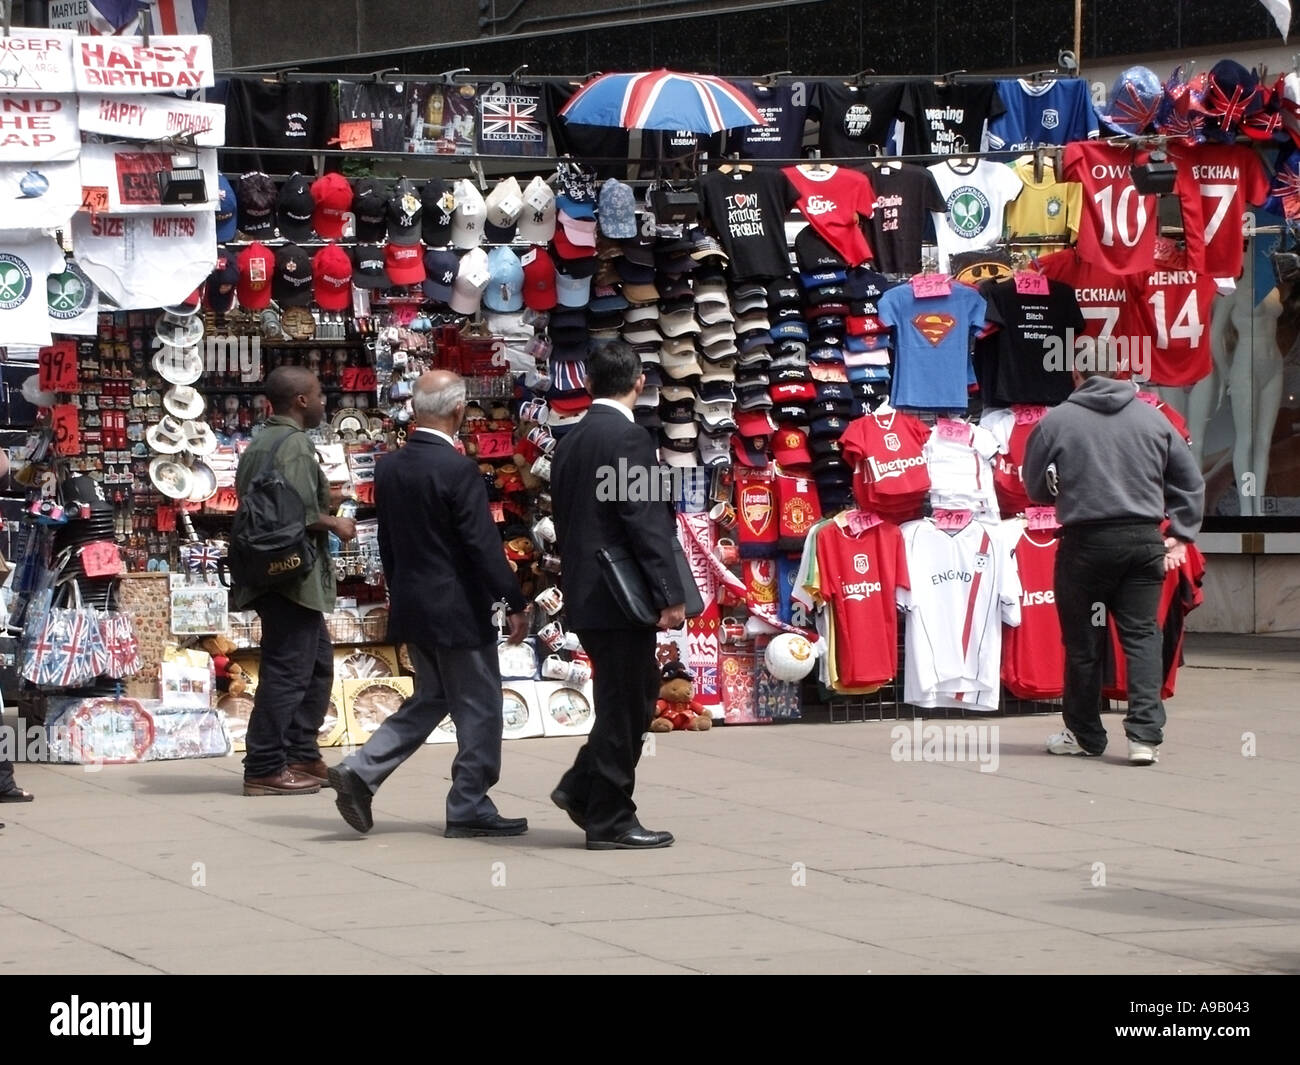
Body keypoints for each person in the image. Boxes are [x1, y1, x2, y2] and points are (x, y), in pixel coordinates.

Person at [329, 370, 532, 838]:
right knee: (479, 705)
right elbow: (481, 545)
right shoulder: (457, 469)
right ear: (459, 411)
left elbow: (389, 542)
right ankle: (468, 804)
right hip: (457, 607)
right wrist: (515, 598)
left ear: (415, 410)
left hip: (415, 604)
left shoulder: (391, 466)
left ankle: (362, 770)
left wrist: (399, 595)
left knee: (433, 697)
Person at [1022, 358, 1205, 765]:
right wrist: (1181, 533)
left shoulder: (1057, 421)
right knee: (1142, 638)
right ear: (1122, 372)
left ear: (1076, 374)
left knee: (1083, 643)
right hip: (1143, 541)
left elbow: (1034, 484)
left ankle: (1086, 734)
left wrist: (1061, 491)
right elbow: (1190, 482)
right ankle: (1144, 738)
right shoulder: (1152, 419)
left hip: (1085, 544)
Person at [549, 339, 685, 849]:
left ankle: (582, 789)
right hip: (620, 596)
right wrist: (668, 593)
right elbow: (643, 521)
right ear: (639, 384)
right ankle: (609, 816)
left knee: (627, 696)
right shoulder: (627, 439)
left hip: (588, 591)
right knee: (626, 706)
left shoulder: (572, 438)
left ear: (586, 384)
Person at [231, 366, 357, 795]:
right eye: (319, 394)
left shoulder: (260, 443)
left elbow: (266, 501)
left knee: (317, 665)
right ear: (301, 400)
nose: (323, 401)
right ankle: (265, 765)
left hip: (270, 572)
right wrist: (334, 521)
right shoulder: (297, 445)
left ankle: (300, 750)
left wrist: (323, 499)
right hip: (291, 577)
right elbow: (298, 515)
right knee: (288, 671)